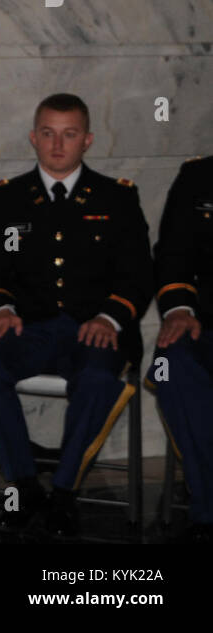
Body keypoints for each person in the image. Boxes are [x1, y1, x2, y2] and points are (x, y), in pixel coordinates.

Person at [0, 93, 152, 537]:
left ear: (87, 140)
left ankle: (64, 493)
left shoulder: (115, 198)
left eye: (68, 134)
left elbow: (137, 275)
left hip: (93, 331)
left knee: (101, 380)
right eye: (48, 133)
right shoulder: (9, 200)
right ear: (34, 138)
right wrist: (0, 309)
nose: (57, 145)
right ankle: (24, 486)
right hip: (28, 328)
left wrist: (110, 318)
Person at [147, 156, 213, 542]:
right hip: (202, 327)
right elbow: (172, 252)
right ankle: (207, 511)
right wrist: (177, 310)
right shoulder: (198, 176)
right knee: (168, 370)